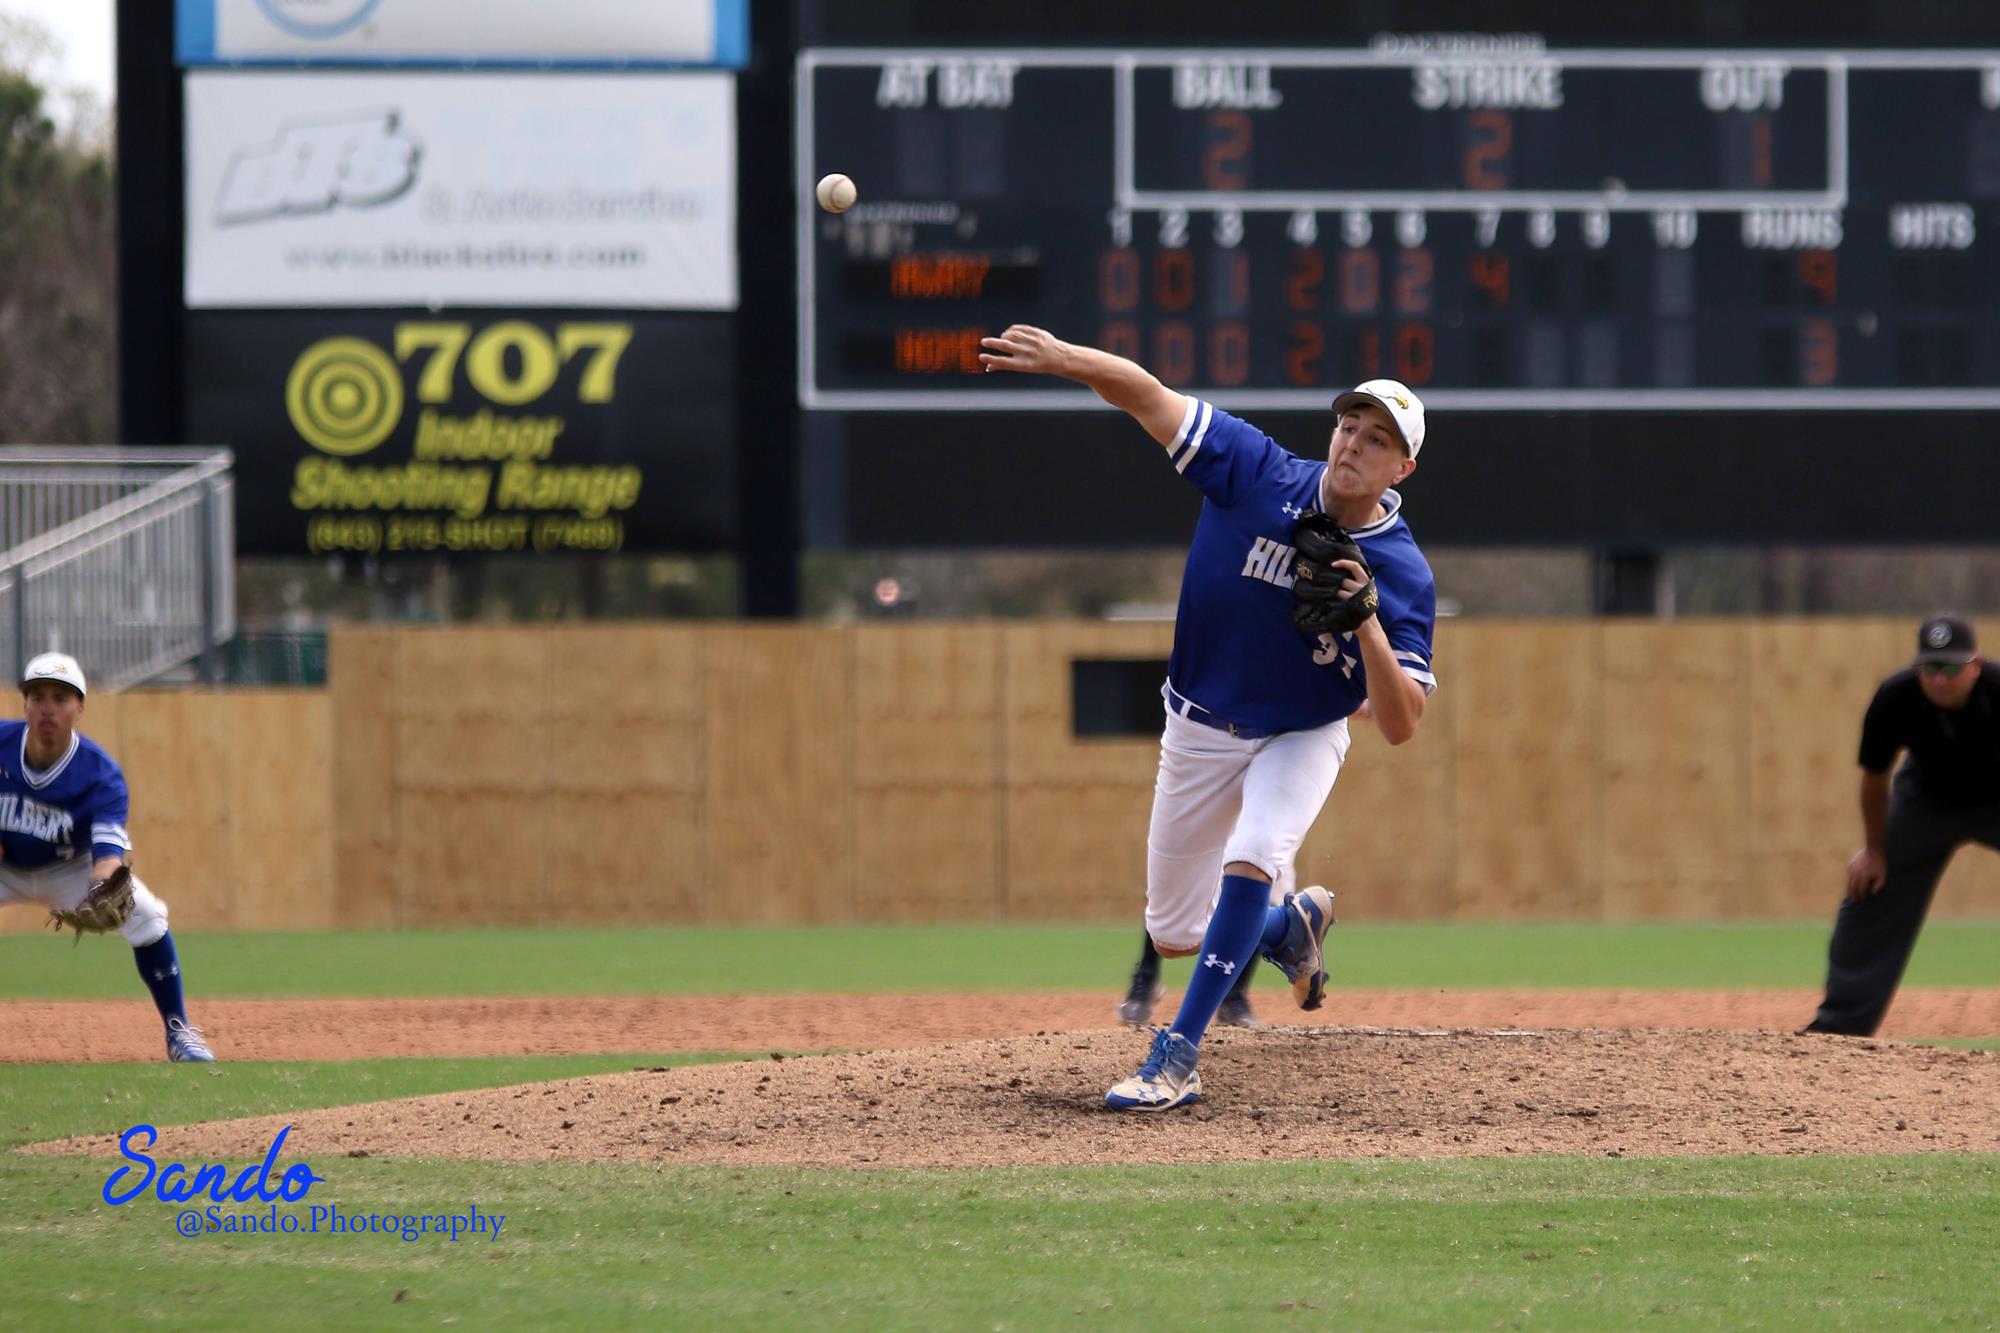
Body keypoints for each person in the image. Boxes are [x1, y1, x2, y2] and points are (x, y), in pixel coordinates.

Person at [979, 326, 1437, 1111]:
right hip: (1197, 727)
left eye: (1377, 439)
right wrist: (1066, 360)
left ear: (1403, 468)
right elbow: (1149, 397)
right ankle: (1287, 928)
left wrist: (1367, 623)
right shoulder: (1257, 469)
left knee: (1254, 854)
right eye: (1348, 425)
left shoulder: (1402, 570)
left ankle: (1177, 1057)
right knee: (1175, 934)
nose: (1353, 444)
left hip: (1302, 731)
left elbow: (1402, 723)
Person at [0, 653, 214, 1062]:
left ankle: (179, 1031)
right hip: (5, 868)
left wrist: (100, 889)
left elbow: (107, 855)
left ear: (80, 708)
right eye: (38, 696)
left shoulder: (100, 774)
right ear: (24, 704)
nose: (47, 708)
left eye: (61, 698)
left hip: (68, 868)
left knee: (147, 915)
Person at [1805, 613, 1999, 1037]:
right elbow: (1874, 778)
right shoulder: (1896, 696)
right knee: (1870, 885)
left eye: (1951, 668)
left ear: (1974, 666)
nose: (1940, 679)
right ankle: (1840, 1029)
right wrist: (1874, 851)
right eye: (1931, 668)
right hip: (1927, 800)